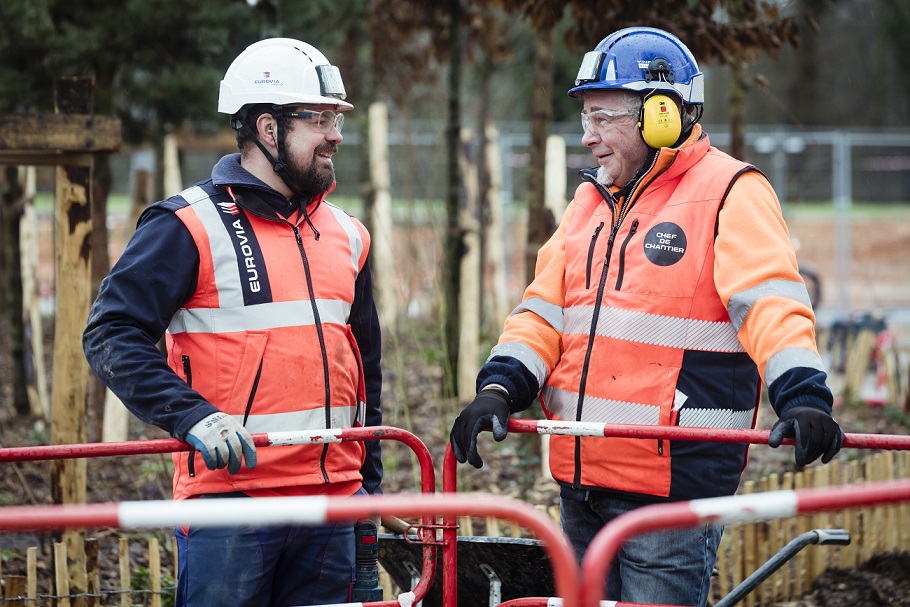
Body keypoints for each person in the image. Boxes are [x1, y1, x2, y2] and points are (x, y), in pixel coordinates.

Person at [449, 26, 844, 607]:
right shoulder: (589, 202)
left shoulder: (731, 192)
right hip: (581, 483)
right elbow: (542, 312)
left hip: (669, 493)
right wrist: (498, 388)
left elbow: (773, 306)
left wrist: (803, 396)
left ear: (662, 115)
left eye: (602, 118)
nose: (587, 137)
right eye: (585, 118)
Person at [83, 38, 382, 607]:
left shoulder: (349, 234)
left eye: (337, 118)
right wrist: (190, 416)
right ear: (268, 130)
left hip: (332, 505)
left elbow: (366, 370)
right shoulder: (187, 225)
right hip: (232, 505)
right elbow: (110, 334)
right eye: (318, 119)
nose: (335, 135)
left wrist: (370, 490)